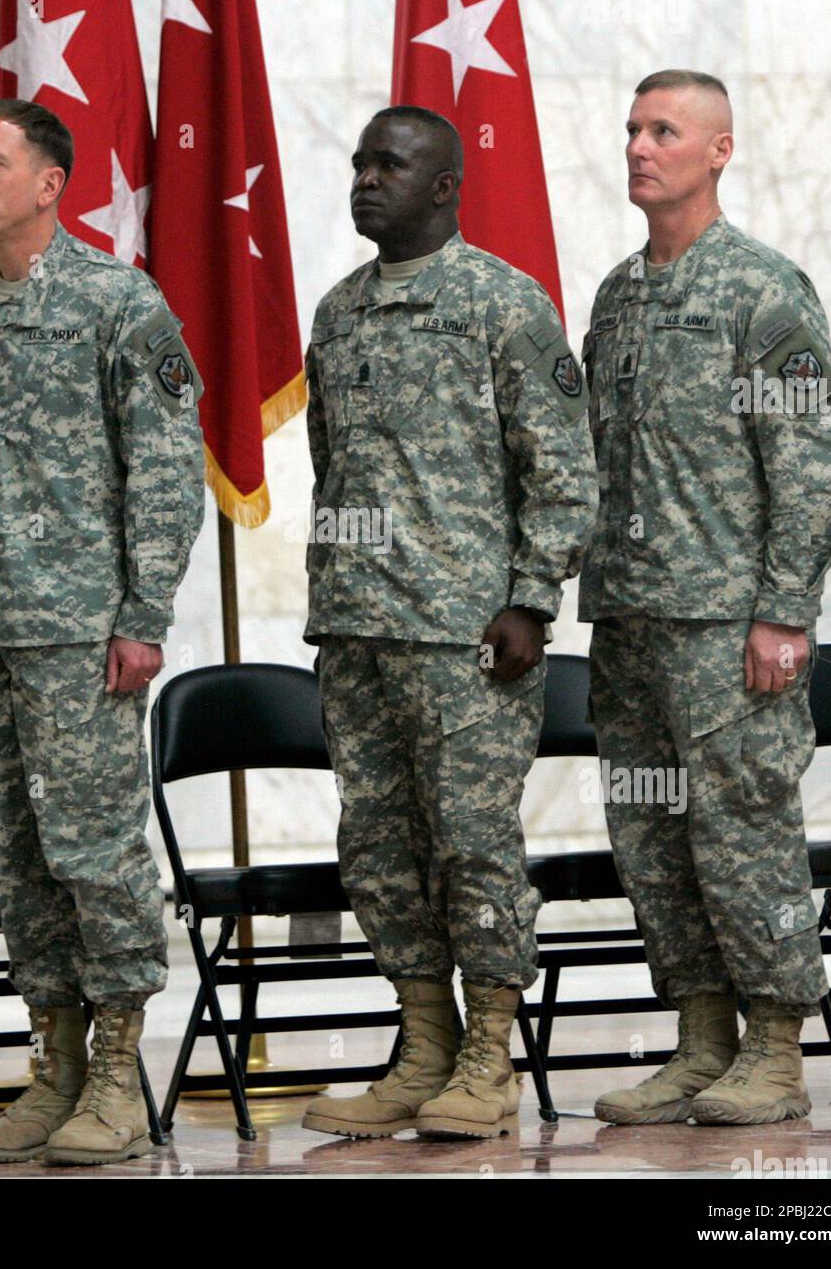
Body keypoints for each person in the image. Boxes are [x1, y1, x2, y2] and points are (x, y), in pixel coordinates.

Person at [300, 106, 597, 1140]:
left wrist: (527, 596)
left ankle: (486, 1057)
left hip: (466, 635)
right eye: (358, 162)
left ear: (442, 186)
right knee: (377, 847)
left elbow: (560, 469)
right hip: (354, 630)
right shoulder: (336, 313)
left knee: (471, 844)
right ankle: (421, 1042)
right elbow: (330, 458)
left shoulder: (499, 303)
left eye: (391, 164)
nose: (366, 178)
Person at [0, 99, 205, 1165]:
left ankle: (121, 1074)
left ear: (51, 183)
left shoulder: (116, 301)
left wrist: (141, 615)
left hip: (81, 635)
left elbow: (168, 469)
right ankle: (57, 1065)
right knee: (9, 850)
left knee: (91, 847)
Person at [582, 70, 831, 1126]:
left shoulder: (759, 288)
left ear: (718, 150)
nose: (640, 147)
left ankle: (775, 1049)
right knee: (650, 833)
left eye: (663, 131)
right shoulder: (616, 294)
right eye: (632, 129)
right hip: (630, 620)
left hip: (726, 623)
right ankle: (700, 1040)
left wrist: (782, 607)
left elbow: (811, 462)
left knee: (742, 828)